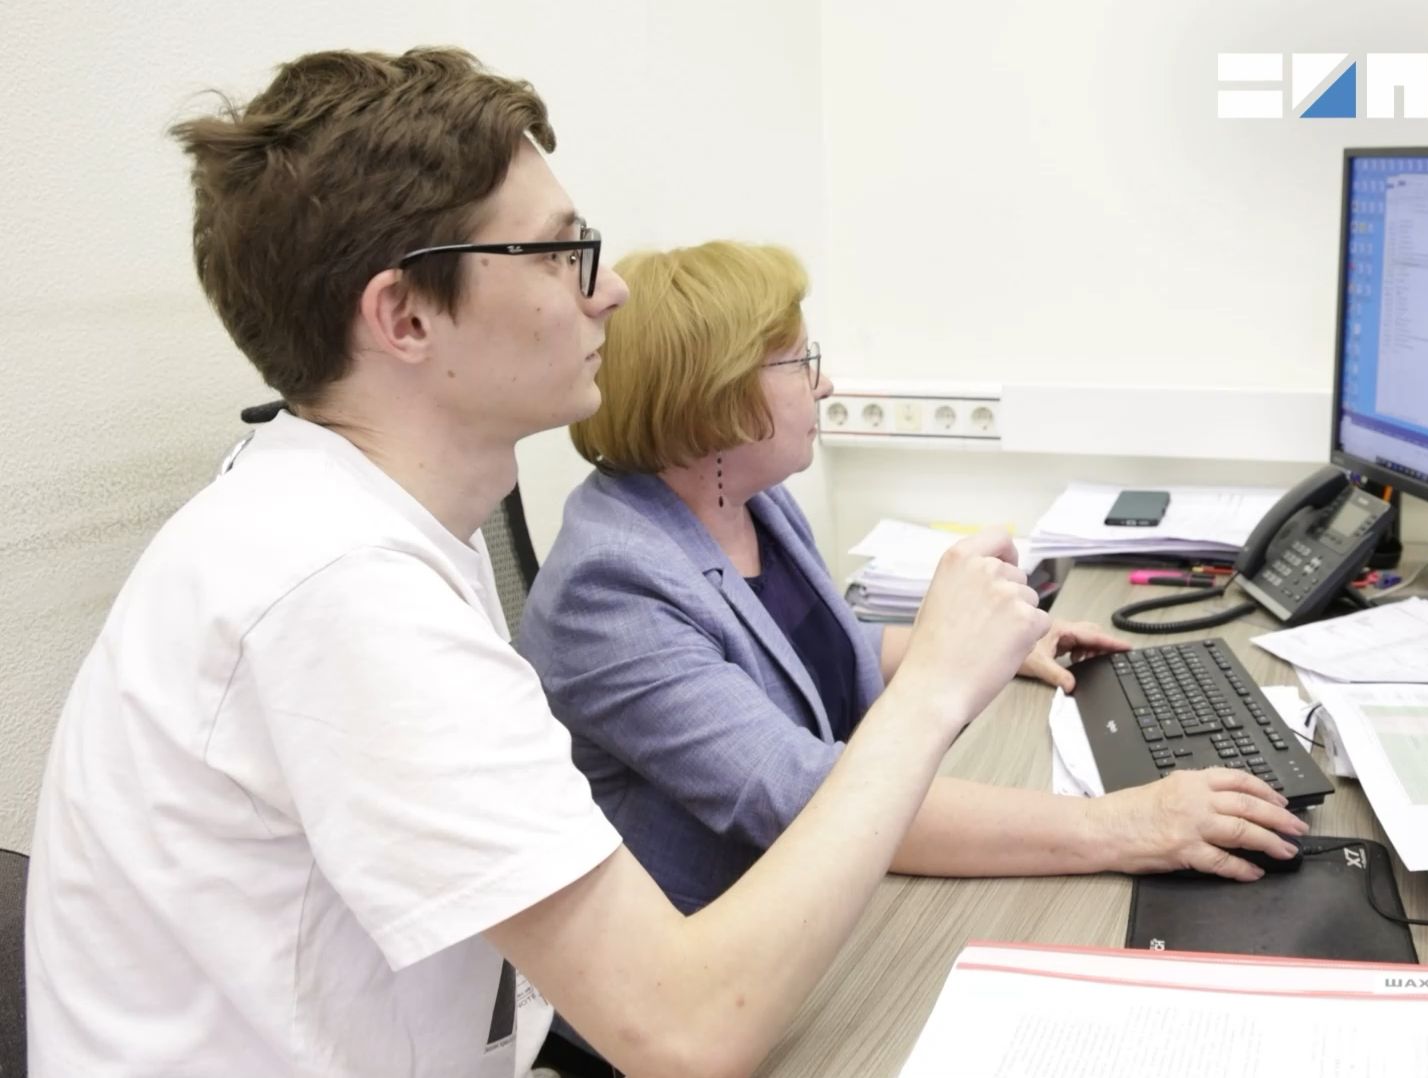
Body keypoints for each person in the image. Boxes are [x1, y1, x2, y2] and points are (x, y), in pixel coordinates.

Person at [25, 48, 1049, 1078]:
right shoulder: (342, 590)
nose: (612, 291)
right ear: (406, 316)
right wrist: (934, 688)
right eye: (562, 254)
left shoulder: (363, 522)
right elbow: (691, 1033)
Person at [517, 242, 1310, 925]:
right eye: (801, 362)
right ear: (715, 395)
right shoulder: (610, 587)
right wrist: (1124, 825)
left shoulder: (748, 500)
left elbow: (806, 654)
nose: (825, 385)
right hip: (723, 943)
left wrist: (989, 646)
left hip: (831, 891)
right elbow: (808, 801)